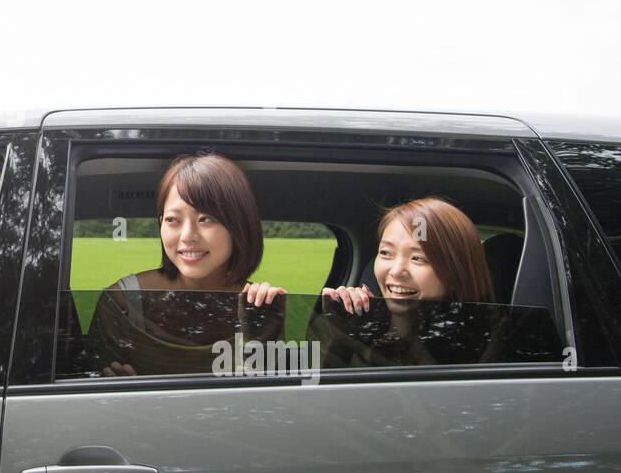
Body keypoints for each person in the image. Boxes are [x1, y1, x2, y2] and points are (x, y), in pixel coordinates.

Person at [87, 152, 287, 377]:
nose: (188, 236)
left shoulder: (259, 307)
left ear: (239, 225)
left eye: (206, 219)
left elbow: (268, 400)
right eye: (173, 220)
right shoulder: (121, 301)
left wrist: (258, 335)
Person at [314, 197, 498, 367]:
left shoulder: (477, 350)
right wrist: (342, 337)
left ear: (457, 272)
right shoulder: (364, 324)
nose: (396, 271)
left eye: (418, 258)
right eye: (386, 253)